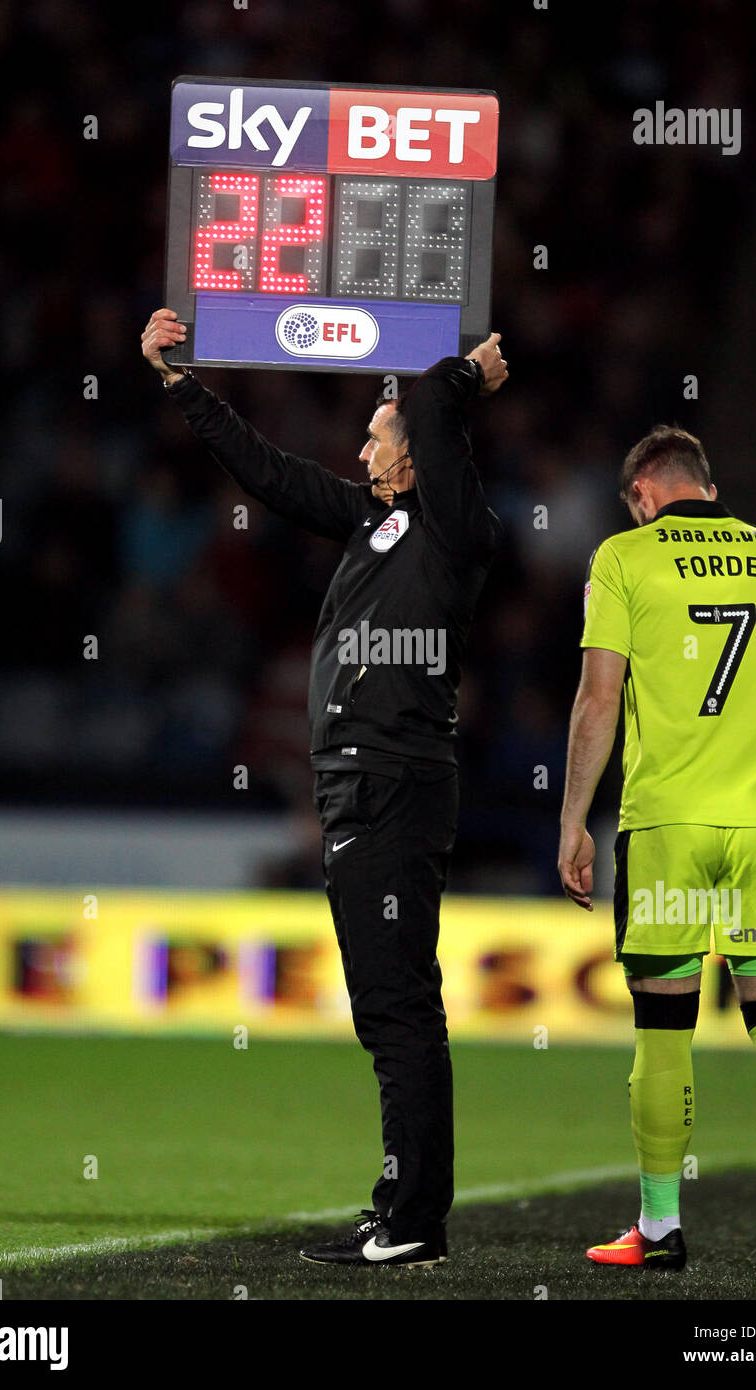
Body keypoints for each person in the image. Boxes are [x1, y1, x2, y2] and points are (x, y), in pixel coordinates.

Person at [141, 309, 507, 1266]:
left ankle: (412, 1216)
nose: (361, 446)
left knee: (395, 1007)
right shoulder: (377, 524)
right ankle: (408, 1207)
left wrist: (458, 381)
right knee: (387, 1005)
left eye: (377, 437)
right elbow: (270, 473)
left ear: (421, 458)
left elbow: (431, 410)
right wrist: (185, 387)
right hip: (359, 786)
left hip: (392, 783)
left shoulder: (455, 531)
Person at [557, 425, 756, 1278]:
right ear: (706, 486)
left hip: (664, 828)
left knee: (662, 1032)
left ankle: (658, 1227)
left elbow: (596, 698)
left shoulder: (623, 557)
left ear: (643, 495)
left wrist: (574, 817)